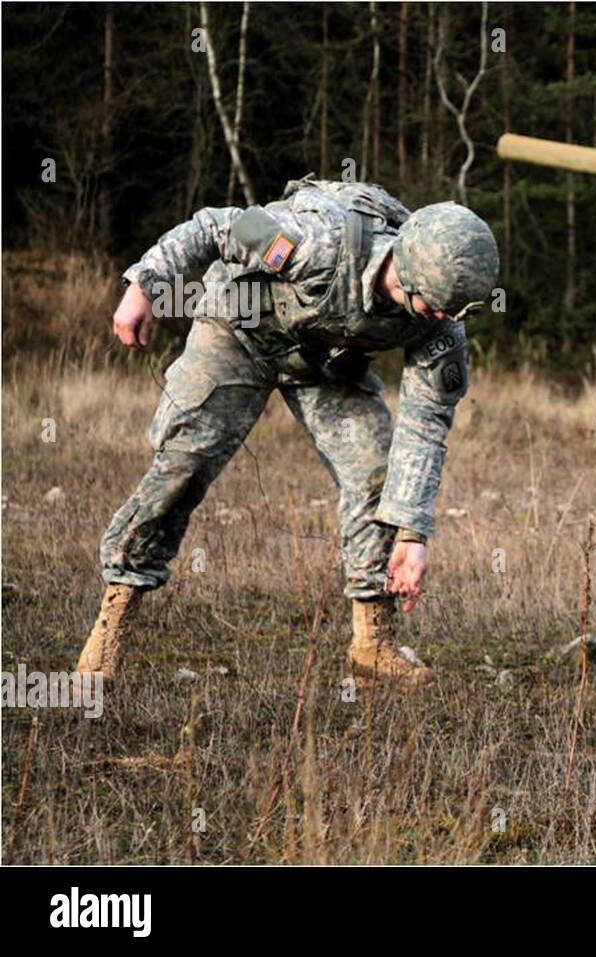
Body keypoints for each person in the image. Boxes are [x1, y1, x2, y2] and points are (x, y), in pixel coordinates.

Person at [72, 175, 499, 691]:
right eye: (431, 304)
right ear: (403, 269)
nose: (438, 318)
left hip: (323, 363)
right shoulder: (313, 244)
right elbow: (214, 227)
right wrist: (146, 286)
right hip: (240, 331)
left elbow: (425, 427)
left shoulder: (441, 319)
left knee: (377, 477)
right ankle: (111, 628)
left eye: (449, 311)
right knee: (185, 464)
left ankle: (373, 644)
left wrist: (412, 534)